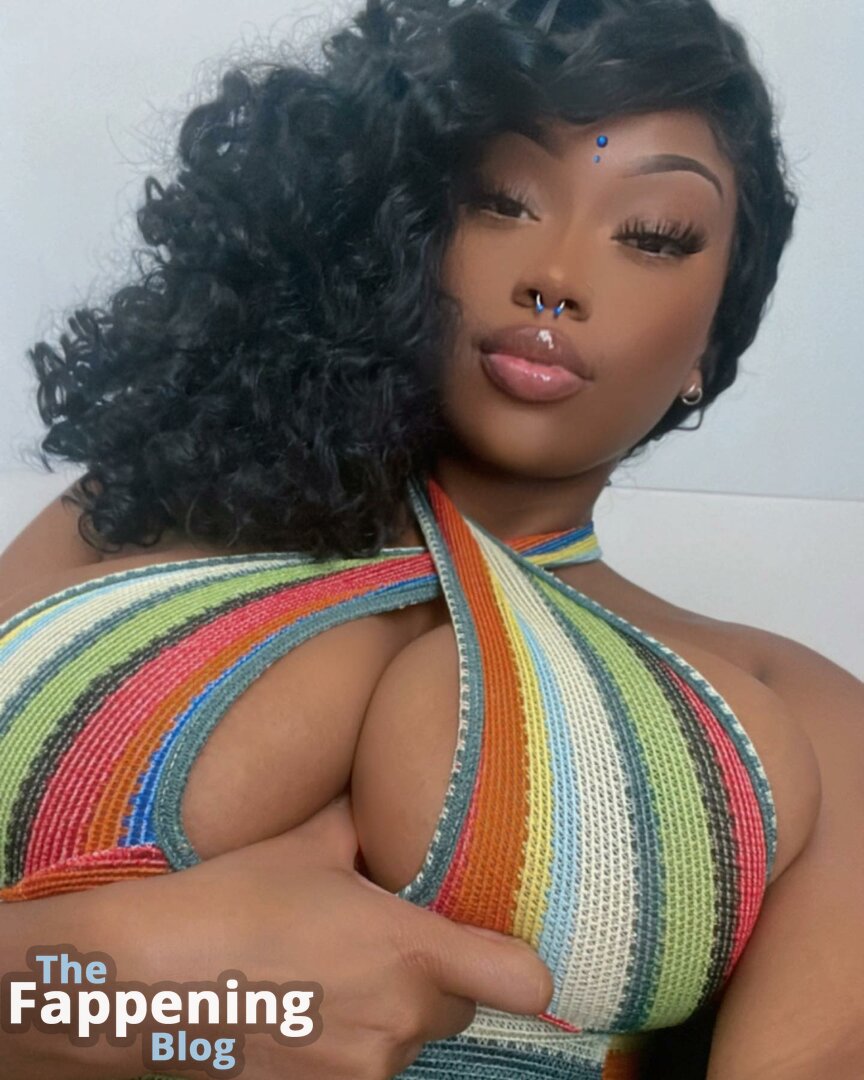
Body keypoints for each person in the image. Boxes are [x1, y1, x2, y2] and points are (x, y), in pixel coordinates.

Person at [1, 0, 862, 1077]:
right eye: (501, 201)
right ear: (400, 228)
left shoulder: (801, 711)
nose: (555, 275)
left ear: (711, 344)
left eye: (652, 236)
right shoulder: (136, 509)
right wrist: (128, 1002)